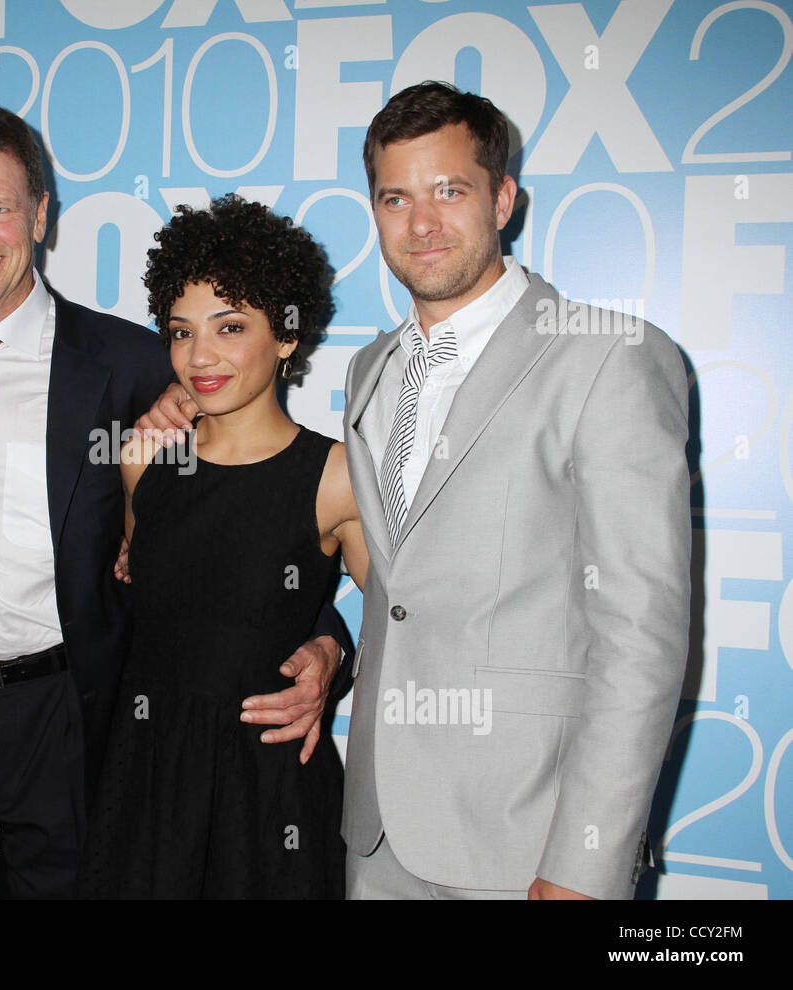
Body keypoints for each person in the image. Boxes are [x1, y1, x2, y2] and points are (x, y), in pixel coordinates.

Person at [141, 82, 690, 900]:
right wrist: (330, 646)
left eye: (450, 191)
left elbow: (642, 636)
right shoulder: (372, 371)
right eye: (395, 197)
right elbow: (391, 586)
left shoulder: (607, 359)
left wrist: (584, 864)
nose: (421, 223)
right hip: (372, 830)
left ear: (504, 198)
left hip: (525, 839)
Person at [0, 105, 348, 898]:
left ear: (41, 215)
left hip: (76, 727)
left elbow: (241, 523)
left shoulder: (137, 364)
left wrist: (322, 643)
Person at [79, 195, 366, 898]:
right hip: (145, 774)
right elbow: (153, 591)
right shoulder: (143, 456)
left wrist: (333, 653)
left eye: (230, 326)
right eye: (180, 332)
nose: (199, 356)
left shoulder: (336, 476)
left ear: (288, 336)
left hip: (268, 784)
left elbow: (410, 626)